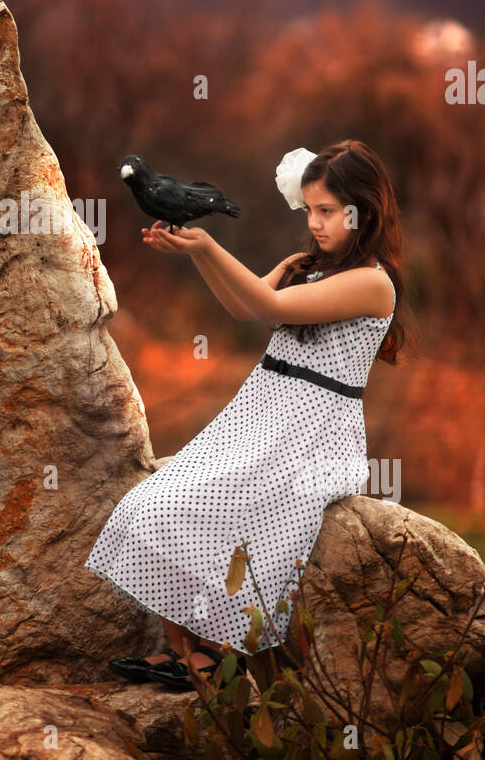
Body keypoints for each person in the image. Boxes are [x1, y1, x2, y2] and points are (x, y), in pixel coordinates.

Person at [85, 138, 406, 689]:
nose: (315, 223)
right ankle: (185, 650)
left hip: (312, 430)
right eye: (309, 210)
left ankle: (214, 652)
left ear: (364, 210)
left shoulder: (373, 282)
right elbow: (243, 304)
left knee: (235, 516)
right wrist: (195, 253)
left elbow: (272, 307)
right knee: (161, 499)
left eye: (327, 211)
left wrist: (209, 246)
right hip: (260, 411)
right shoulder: (308, 266)